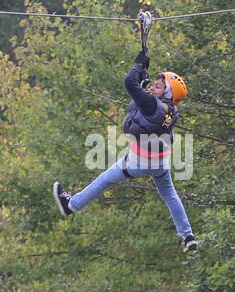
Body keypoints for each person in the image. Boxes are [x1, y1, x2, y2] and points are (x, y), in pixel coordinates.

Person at [53, 46, 199, 252]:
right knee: (170, 195)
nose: (152, 89)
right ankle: (187, 236)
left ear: (166, 93)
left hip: (139, 163)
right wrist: (143, 79)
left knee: (104, 179)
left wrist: (138, 64)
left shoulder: (152, 105)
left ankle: (71, 206)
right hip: (160, 163)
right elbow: (140, 99)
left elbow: (129, 84)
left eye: (157, 87)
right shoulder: (171, 110)